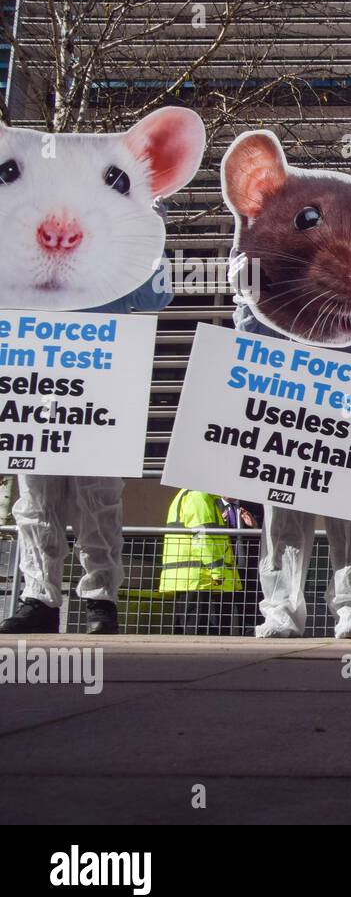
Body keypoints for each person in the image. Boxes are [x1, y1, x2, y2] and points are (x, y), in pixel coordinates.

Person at [230, 253, 351, 639]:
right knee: (282, 523)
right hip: (291, 424)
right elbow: (254, 344)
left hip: (348, 429)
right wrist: (246, 300)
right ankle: (280, 610)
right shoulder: (288, 299)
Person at [0, 266, 174, 635]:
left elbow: (156, 296)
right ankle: (39, 598)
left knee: (99, 502)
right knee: (35, 503)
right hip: (34, 382)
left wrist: (151, 235)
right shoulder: (26, 243)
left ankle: (101, 599)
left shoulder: (113, 252)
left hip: (98, 390)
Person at [159, 489, 242, 635]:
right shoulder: (199, 497)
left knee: (188, 626)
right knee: (194, 629)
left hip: (191, 574)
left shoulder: (189, 495)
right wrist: (217, 571)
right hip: (199, 574)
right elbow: (203, 539)